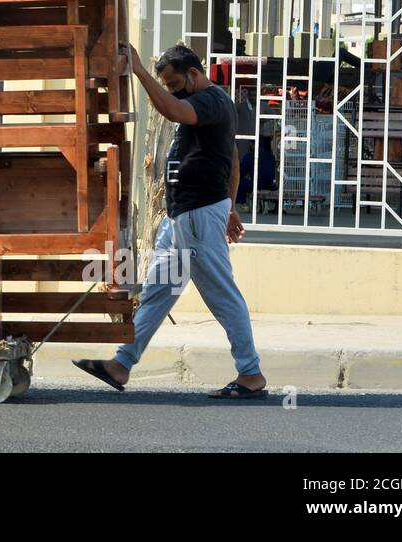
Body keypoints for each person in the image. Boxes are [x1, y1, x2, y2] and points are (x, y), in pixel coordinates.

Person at [74, 43, 268, 400]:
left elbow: (175, 111)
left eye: (175, 83)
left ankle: (250, 373)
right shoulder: (208, 105)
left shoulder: (209, 100)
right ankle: (122, 364)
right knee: (157, 292)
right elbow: (232, 160)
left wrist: (140, 72)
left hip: (197, 217)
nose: (172, 90)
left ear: (193, 73)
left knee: (222, 295)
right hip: (184, 217)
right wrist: (230, 207)